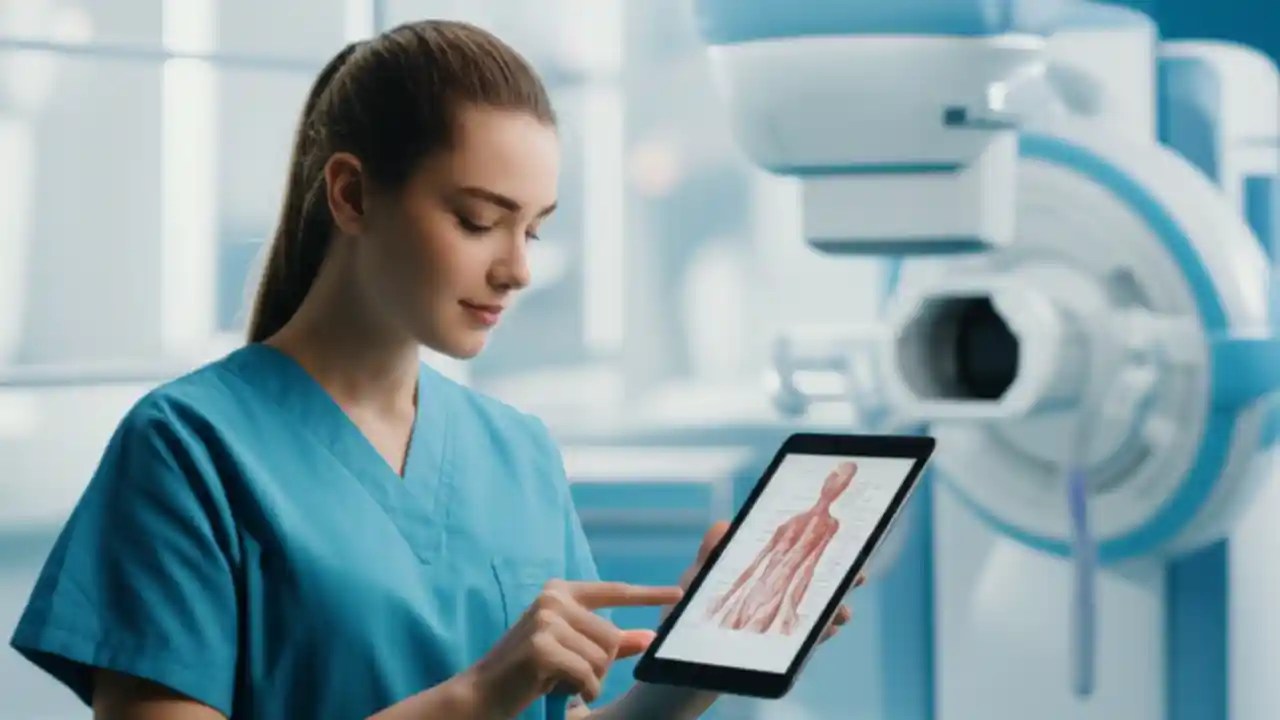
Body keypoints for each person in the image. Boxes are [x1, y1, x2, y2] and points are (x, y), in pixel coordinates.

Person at [8, 20, 853, 720]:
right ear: (351, 196)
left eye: (535, 229)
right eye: (479, 219)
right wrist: (477, 698)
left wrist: (699, 664)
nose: (518, 268)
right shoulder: (188, 451)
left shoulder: (516, 452)